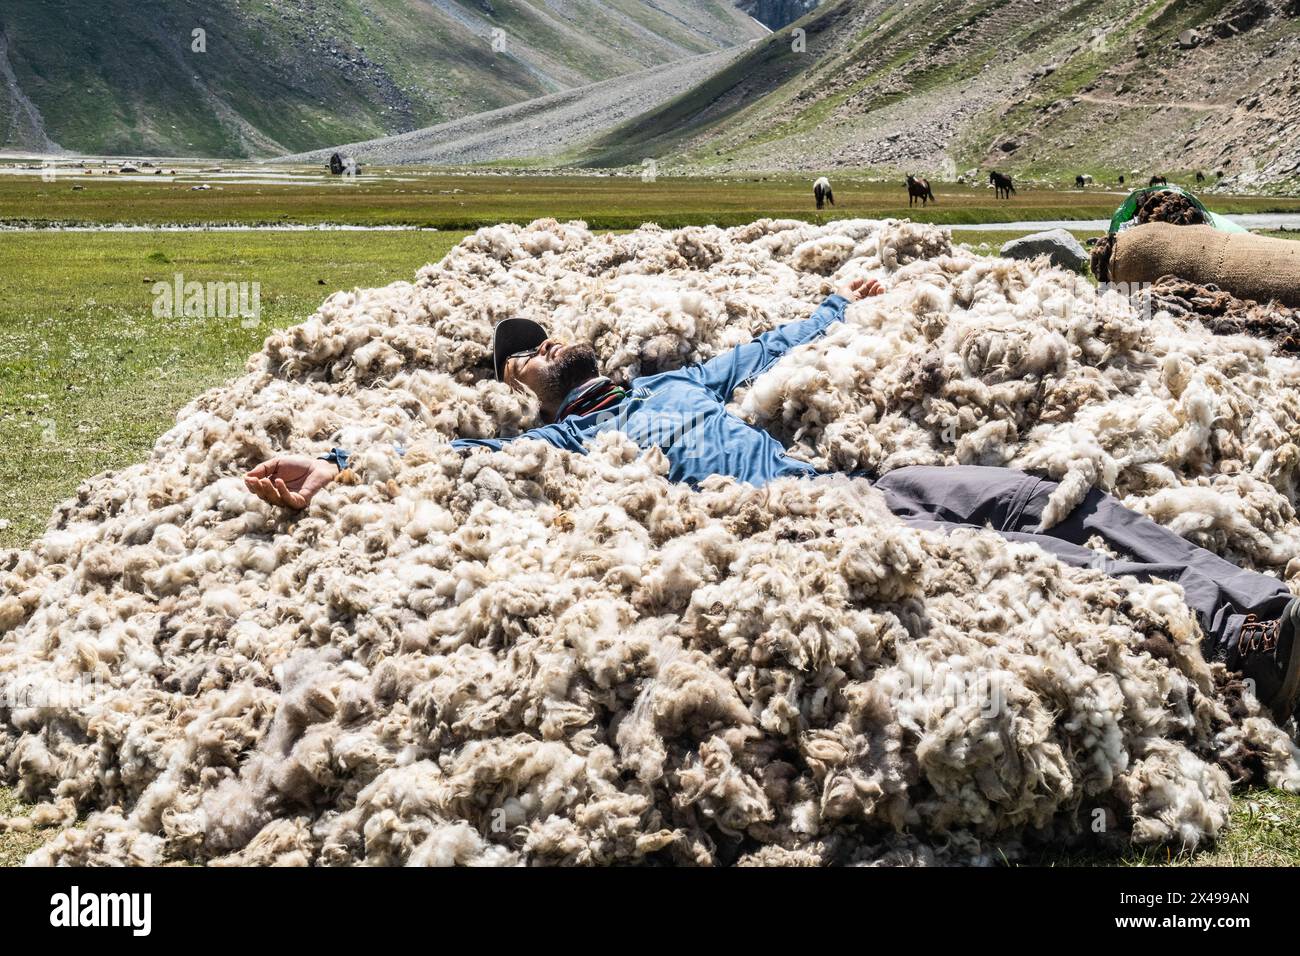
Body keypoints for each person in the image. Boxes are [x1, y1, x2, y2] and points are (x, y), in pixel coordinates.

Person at [245, 277, 1300, 722]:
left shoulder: (666, 381)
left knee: (1034, 495)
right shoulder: (564, 440)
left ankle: (1258, 597)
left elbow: (763, 348)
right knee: (1026, 564)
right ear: (519, 381)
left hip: (849, 482)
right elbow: (444, 453)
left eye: (551, 333)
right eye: (528, 351)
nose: (549, 344)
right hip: (807, 531)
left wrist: (845, 301)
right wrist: (338, 463)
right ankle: (1233, 638)